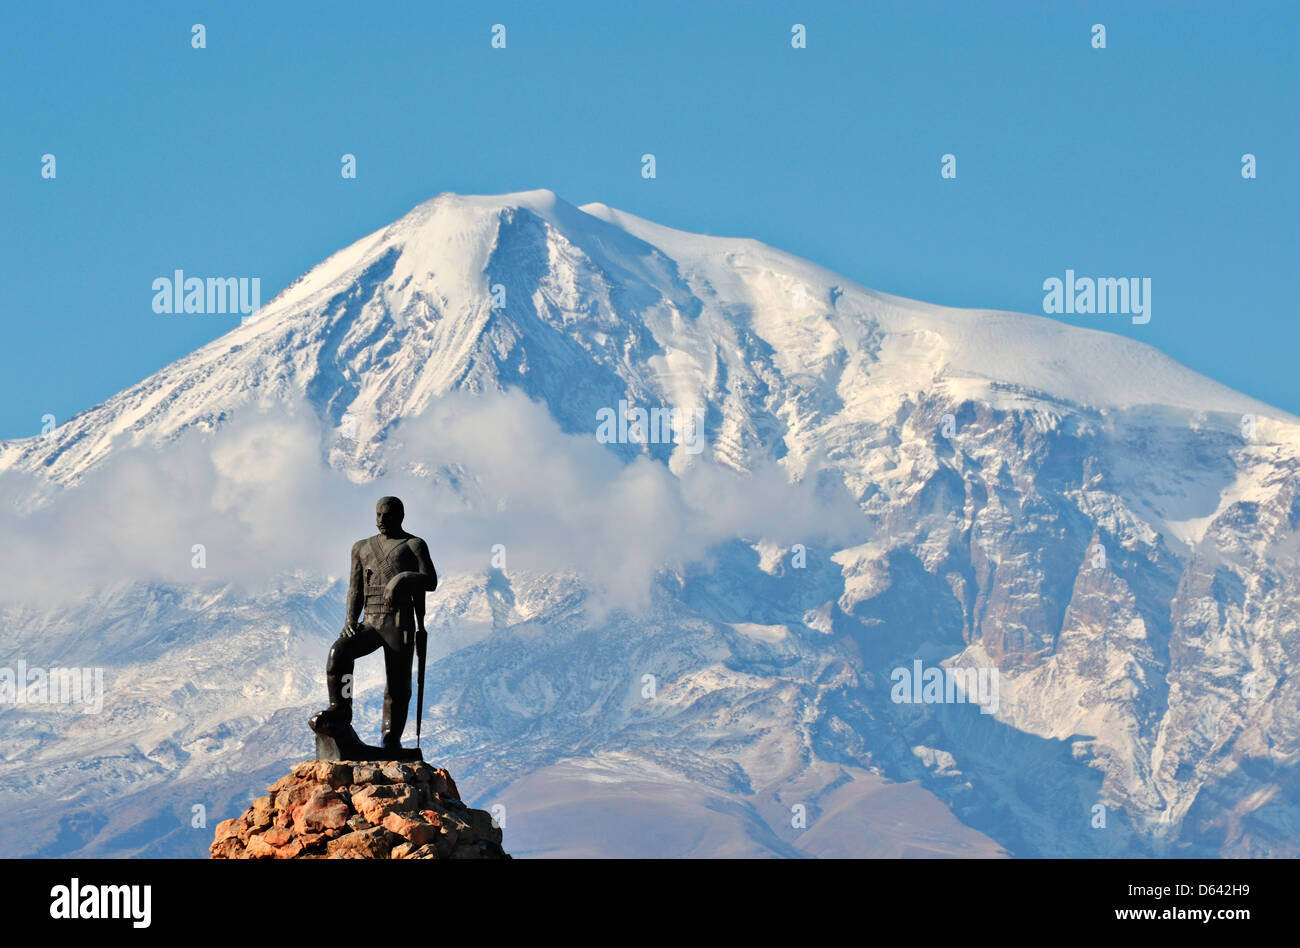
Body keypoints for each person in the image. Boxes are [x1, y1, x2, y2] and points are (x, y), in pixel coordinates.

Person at [321, 496, 437, 749]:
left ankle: (390, 736)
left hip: (399, 622)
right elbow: (355, 589)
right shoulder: (361, 547)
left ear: (400, 516)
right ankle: (341, 710)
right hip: (370, 622)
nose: (382, 520)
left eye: (387, 515)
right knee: (339, 653)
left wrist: (403, 577)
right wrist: (350, 620)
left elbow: (431, 581)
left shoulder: (413, 545)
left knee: (397, 683)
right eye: (378, 515)